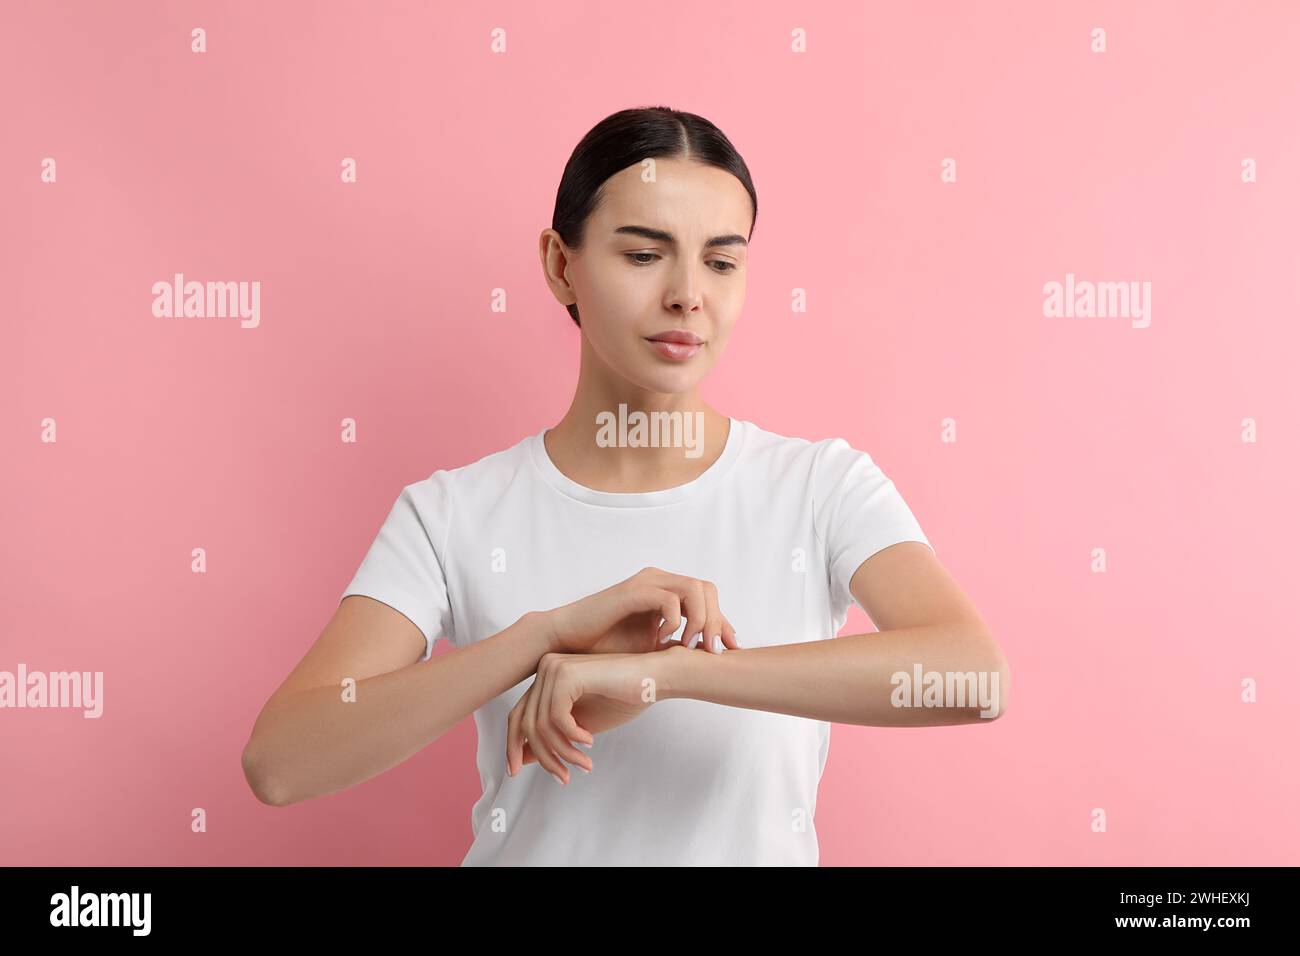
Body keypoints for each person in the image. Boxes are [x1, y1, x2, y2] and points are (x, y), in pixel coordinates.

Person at [240, 106, 1009, 866]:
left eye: (721, 261)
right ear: (558, 264)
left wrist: (666, 675)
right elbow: (281, 763)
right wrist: (540, 639)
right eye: (644, 256)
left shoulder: (820, 487)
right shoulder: (452, 513)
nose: (687, 294)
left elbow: (971, 678)